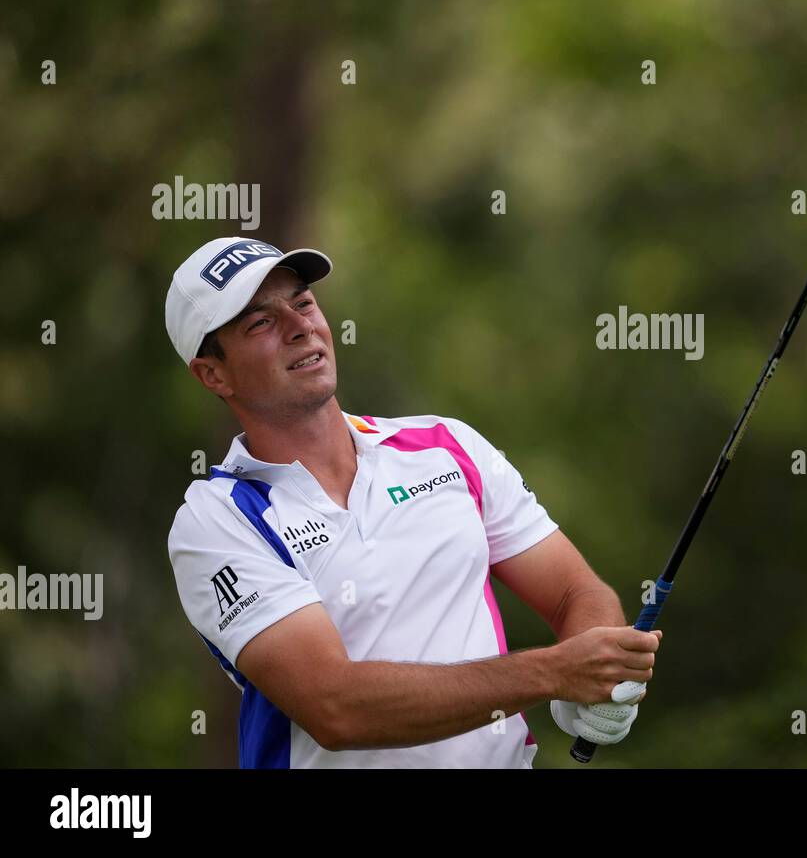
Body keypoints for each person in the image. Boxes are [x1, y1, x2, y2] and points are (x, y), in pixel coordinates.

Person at [164, 236, 661, 767]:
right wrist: (553, 673)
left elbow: (574, 591)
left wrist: (595, 670)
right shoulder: (216, 520)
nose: (299, 325)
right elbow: (336, 708)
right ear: (212, 373)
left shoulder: (446, 445)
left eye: (303, 302)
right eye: (260, 322)